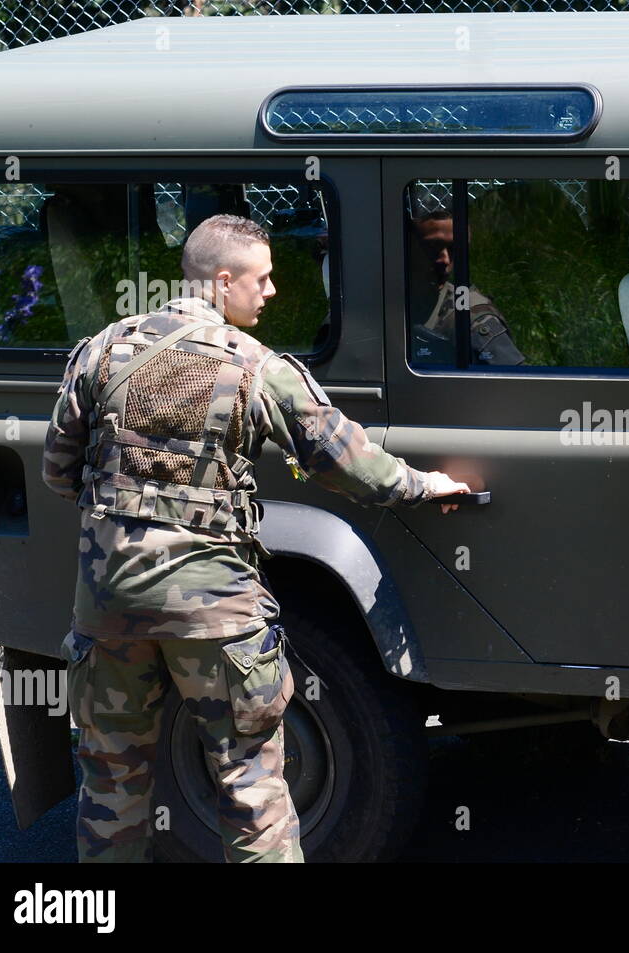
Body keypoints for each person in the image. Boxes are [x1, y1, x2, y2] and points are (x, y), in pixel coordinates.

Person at [42, 213, 470, 862]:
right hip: (213, 609)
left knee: (110, 786)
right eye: (262, 278)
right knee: (251, 787)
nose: (271, 291)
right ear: (222, 281)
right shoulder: (254, 365)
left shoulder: (102, 350)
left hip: (107, 604)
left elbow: (58, 472)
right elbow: (344, 462)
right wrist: (422, 485)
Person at [408, 208, 526, 366]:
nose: (445, 259)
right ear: (409, 247)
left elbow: (512, 378)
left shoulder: (468, 317)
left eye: (454, 249)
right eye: (433, 246)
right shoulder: (388, 299)